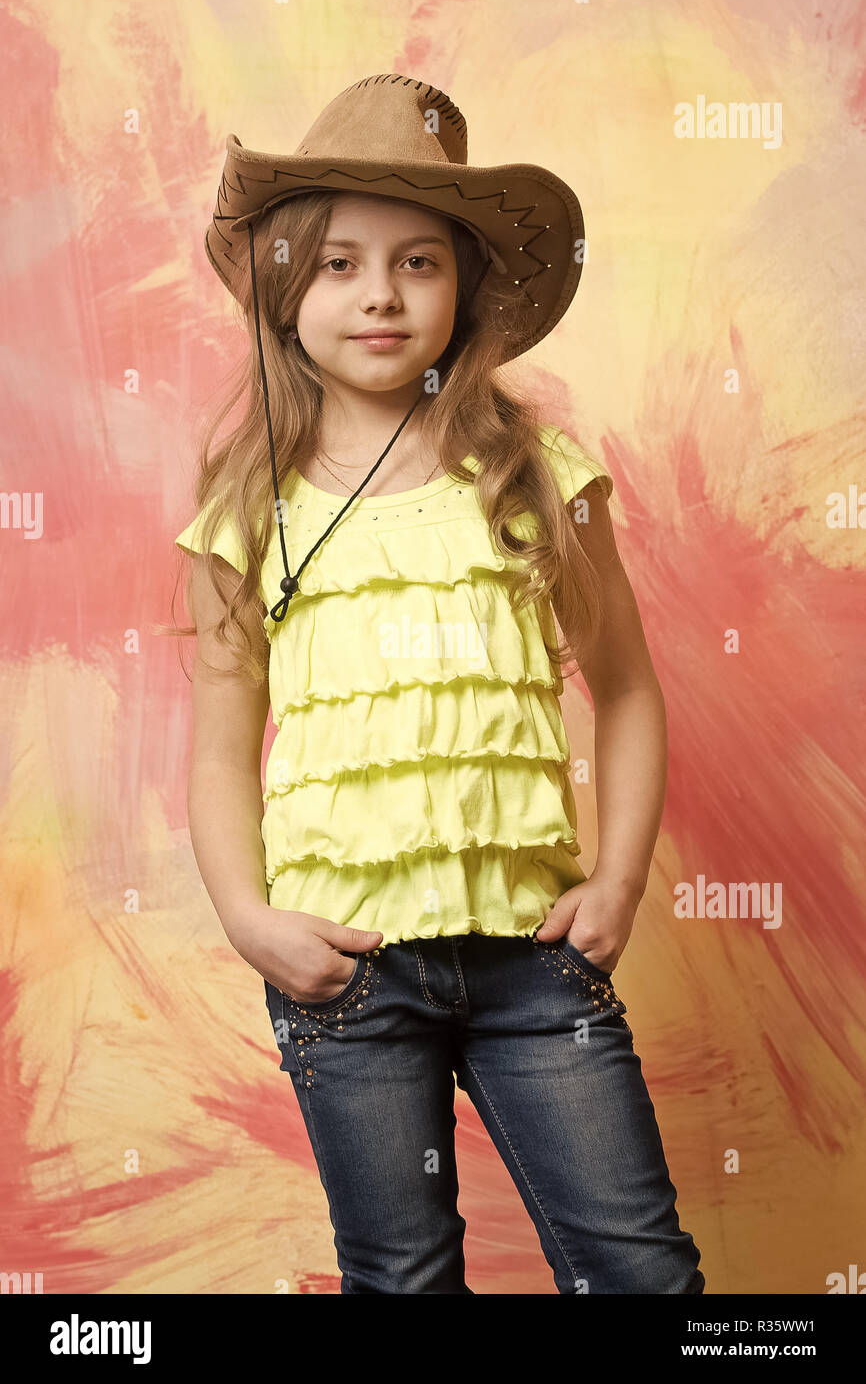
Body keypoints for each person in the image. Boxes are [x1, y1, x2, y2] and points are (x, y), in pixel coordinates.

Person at [172, 74, 706, 1295]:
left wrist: (616, 882)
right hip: (345, 972)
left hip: (531, 959)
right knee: (401, 1278)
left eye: (417, 262)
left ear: (463, 288)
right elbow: (216, 748)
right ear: (283, 284)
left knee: (637, 1269)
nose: (377, 294)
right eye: (340, 263)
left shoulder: (531, 477)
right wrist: (250, 920)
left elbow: (624, 688)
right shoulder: (247, 513)